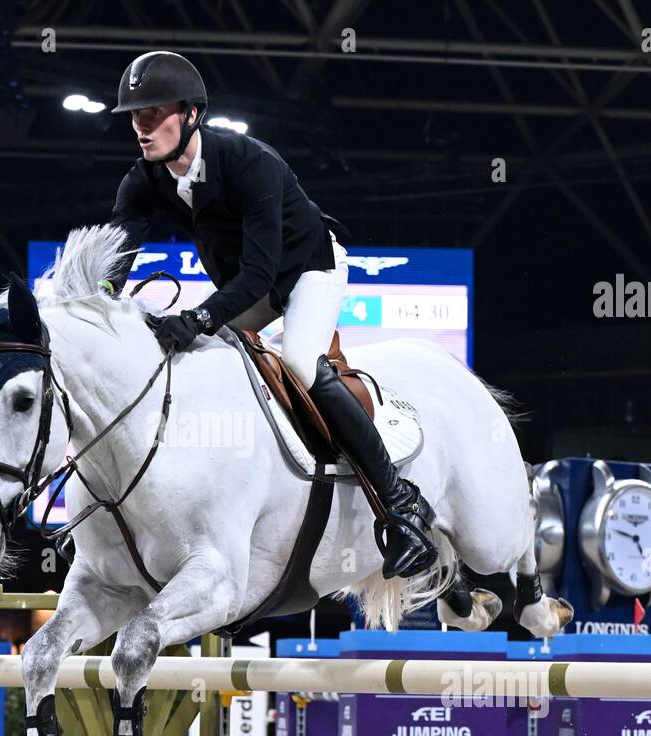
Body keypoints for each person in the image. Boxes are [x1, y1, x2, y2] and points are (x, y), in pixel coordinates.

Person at [104, 51, 437, 581]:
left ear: (191, 114)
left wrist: (196, 320)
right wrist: (100, 299)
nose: (141, 127)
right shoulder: (144, 179)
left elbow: (259, 279)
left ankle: (402, 504)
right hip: (247, 284)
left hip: (306, 270)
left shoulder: (249, 162)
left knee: (301, 363)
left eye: (153, 113)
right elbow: (117, 250)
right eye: (134, 117)